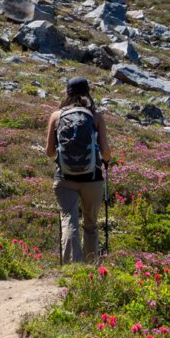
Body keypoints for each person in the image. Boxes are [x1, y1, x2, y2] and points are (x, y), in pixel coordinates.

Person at [45, 76, 110, 263]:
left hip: (65, 178)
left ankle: (71, 267)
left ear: (68, 93)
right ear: (88, 92)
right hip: (93, 178)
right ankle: (89, 269)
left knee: (68, 220)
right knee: (90, 224)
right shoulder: (96, 118)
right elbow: (106, 153)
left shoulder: (57, 116)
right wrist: (104, 159)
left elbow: (49, 152)